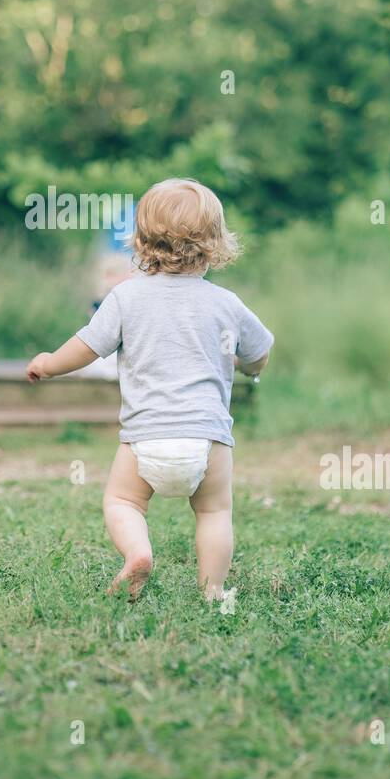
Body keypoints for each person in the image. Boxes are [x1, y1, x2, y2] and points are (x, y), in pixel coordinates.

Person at [26, 178, 273, 601]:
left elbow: (86, 347)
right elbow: (260, 350)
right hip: (208, 440)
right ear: (215, 244)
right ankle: (213, 591)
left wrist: (49, 364)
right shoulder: (226, 302)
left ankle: (139, 552)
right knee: (215, 512)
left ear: (140, 241)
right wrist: (249, 367)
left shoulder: (125, 298)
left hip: (145, 440)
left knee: (123, 503)